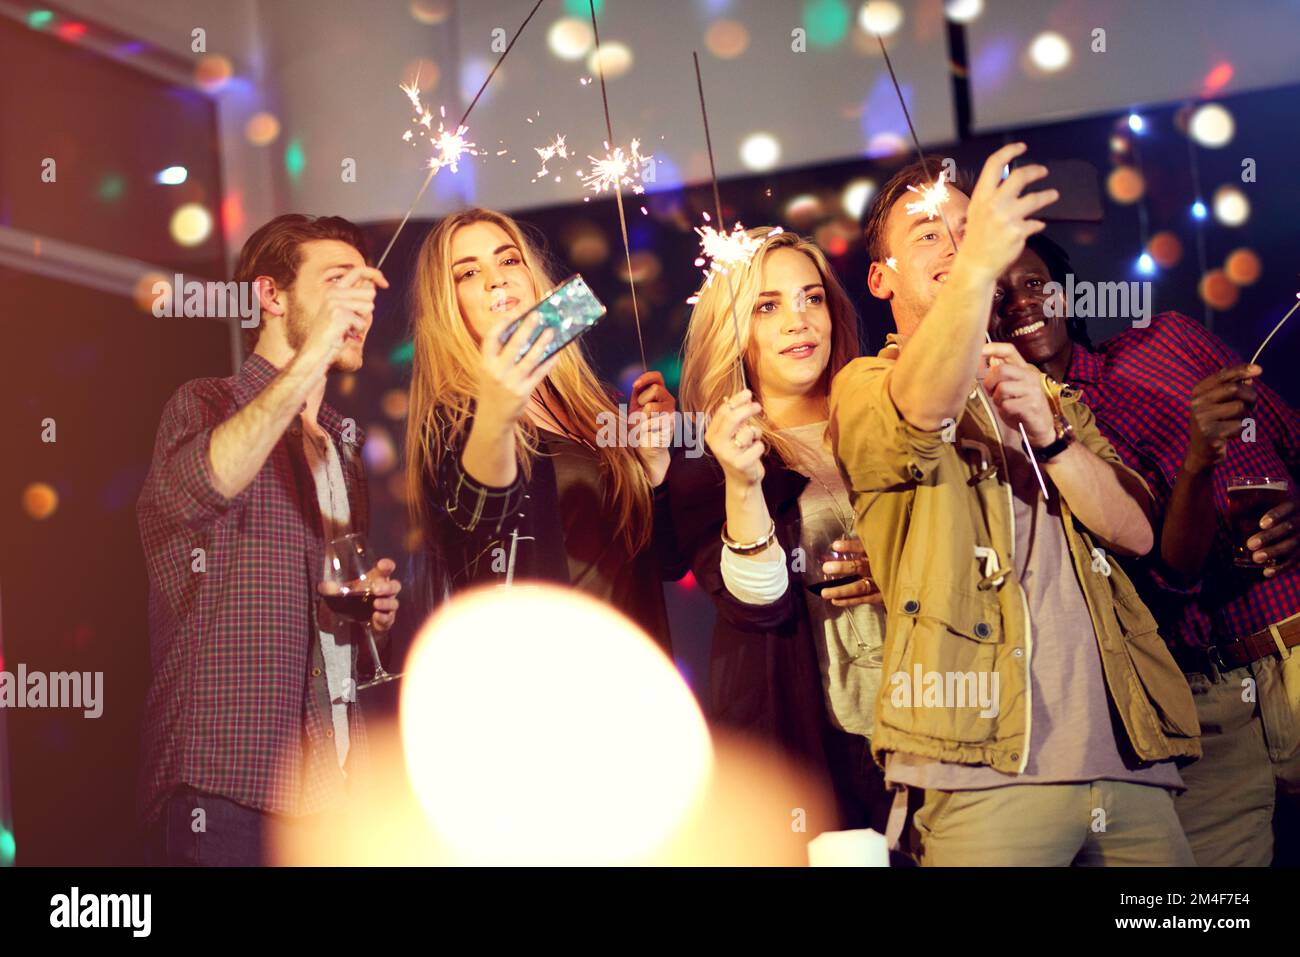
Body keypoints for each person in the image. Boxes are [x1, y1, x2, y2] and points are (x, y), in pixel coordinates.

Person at [830, 146, 1200, 866]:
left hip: (1126, 759)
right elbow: (919, 410)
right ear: (882, 277)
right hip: (981, 770)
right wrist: (973, 270)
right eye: (928, 233)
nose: (954, 244)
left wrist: (1053, 436)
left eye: (967, 229)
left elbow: (1139, 532)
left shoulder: (1051, 392)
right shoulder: (867, 382)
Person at [991, 233, 1300, 865]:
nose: (1020, 303)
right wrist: (1195, 463)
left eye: (1032, 282)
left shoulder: (1168, 341)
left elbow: (1295, 441)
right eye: (995, 294)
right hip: (1204, 700)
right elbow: (1166, 578)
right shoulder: (1008, 438)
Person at [137, 214, 402, 865]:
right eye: (337, 282)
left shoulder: (341, 445)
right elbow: (205, 482)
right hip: (226, 788)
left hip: (330, 791)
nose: (359, 303)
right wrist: (311, 355)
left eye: (362, 286)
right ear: (273, 296)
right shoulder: (205, 404)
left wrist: (373, 617)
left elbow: (327, 634)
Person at [671, 228, 890, 832]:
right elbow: (759, 603)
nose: (799, 321)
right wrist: (743, 485)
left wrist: (903, 566)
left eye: (811, 298)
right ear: (734, 332)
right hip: (824, 758)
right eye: (768, 306)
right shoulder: (712, 465)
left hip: (946, 733)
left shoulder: (896, 422)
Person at [404, 208, 682, 653]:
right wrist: (498, 408)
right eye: (469, 272)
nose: (497, 280)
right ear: (446, 303)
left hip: (638, 668)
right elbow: (477, 518)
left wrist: (653, 465)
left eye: (509, 260)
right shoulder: (453, 421)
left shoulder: (597, 402)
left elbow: (667, 561)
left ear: (533, 278)